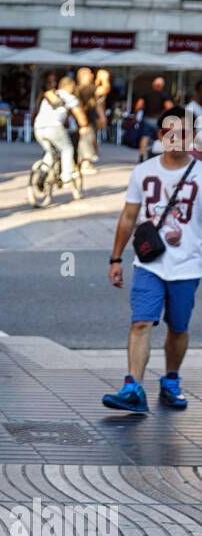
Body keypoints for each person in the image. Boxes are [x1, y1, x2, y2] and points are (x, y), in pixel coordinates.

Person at [103, 106, 200, 413]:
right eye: (173, 133)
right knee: (141, 322)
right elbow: (129, 216)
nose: (179, 139)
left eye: (185, 133)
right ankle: (133, 387)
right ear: (161, 136)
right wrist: (115, 259)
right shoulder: (143, 172)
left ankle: (171, 380)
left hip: (187, 264)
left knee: (179, 327)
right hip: (149, 263)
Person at [32, 75, 89, 196]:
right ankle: (66, 177)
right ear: (69, 86)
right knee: (67, 148)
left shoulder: (50, 95)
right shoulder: (69, 97)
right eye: (73, 87)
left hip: (38, 127)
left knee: (50, 151)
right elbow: (79, 113)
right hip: (54, 127)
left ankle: (43, 171)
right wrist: (84, 126)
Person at [74, 66, 99, 171]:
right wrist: (104, 78)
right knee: (86, 142)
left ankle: (82, 164)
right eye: (90, 73)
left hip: (85, 120)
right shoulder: (86, 88)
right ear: (83, 75)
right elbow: (103, 90)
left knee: (85, 141)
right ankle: (85, 164)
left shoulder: (78, 88)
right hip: (86, 121)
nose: (92, 75)